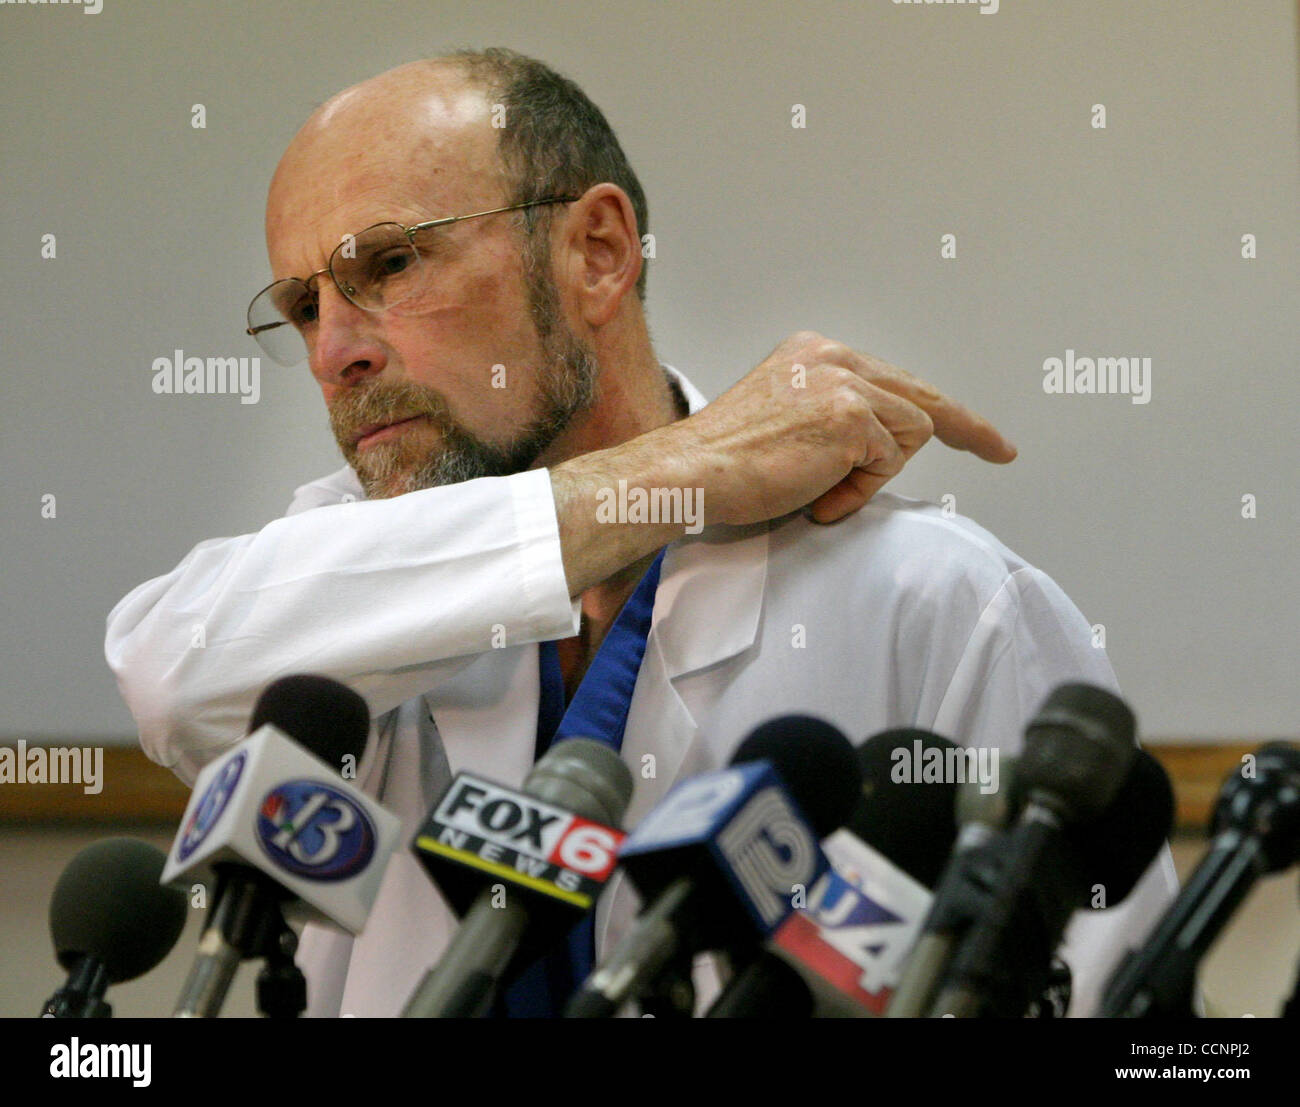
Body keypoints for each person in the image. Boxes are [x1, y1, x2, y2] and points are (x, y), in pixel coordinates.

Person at [105, 48, 1177, 1017]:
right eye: (301, 307)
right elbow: (171, 674)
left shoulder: (933, 601)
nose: (334, 350)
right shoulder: (348, 558)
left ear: (598, 252)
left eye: (387, 266)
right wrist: (684, 470)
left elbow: (1105, 996)